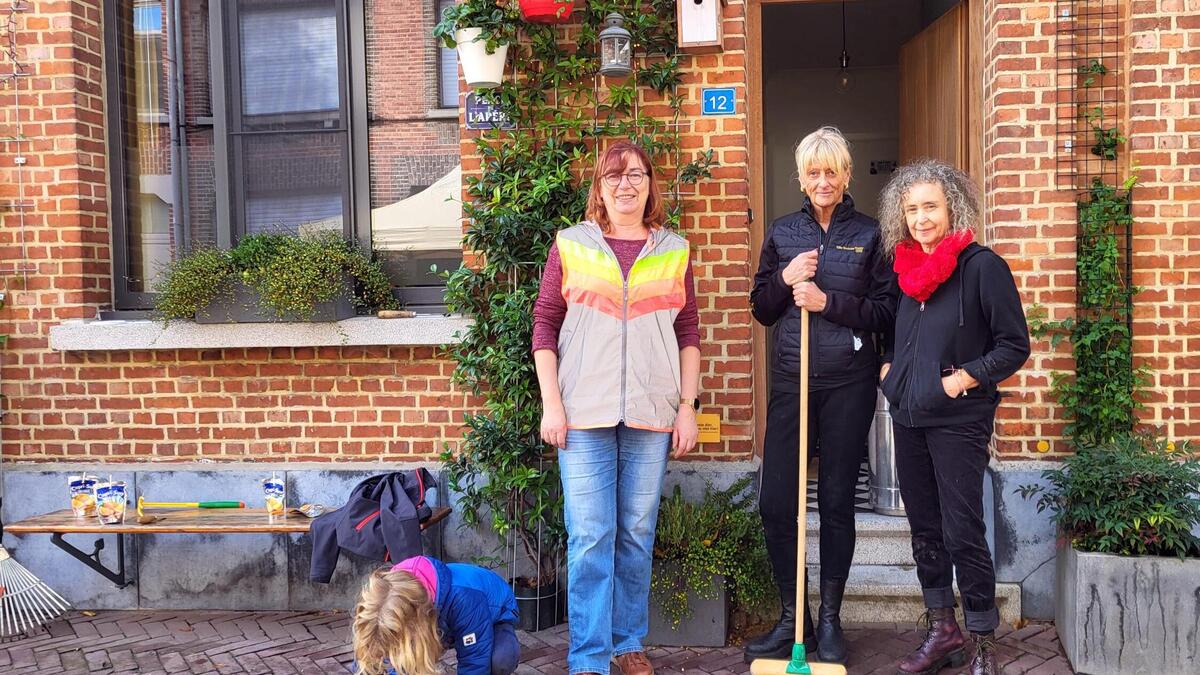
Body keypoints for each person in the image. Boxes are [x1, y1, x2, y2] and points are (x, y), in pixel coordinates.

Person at [532, 140, 701, 675]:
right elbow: (544, 324)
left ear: (650, 184)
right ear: (599, 188)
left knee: (635, 533)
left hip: (652, 414)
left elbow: (689, 331)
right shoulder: (571, 245)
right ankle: (588, 658)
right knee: (589, 536)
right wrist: (551, 404)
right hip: (583, 414)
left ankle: (627, 645)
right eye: (614, 176)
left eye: (636, 174)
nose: (626, 183)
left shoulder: (674, 249)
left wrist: (687, 406)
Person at [747, 126, 898, 665]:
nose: (822, 180)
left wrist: (828, 301)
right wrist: (786, 279)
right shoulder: (784, 232)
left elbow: (886, 311)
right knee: (776, 502)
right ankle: (795, 620)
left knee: (836, 502)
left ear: (846, 175)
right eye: (813, 172)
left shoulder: (871, 234)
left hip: (848, 384)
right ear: (801, 177)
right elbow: (762, 308)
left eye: (831, 171)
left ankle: (831, 618)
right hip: (793, 380)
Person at [877, 159, 1030, 675]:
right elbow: (888, 334)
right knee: (924, 529)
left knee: (963, 528)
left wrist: (962, 377)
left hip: (959, 419)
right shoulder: (903, 272)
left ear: (952, 208)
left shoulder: (981, 266)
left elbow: (1014, 346)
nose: (921, 218)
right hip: (909, 417)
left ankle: (984, 642)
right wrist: (888, 373)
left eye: (931, 207)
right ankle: (944, 631)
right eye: (912, 208)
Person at [352, 555, 520, 675]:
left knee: (500, 659)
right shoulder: (383, 603)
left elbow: (475, 659)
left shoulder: (465, 599)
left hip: (495, 614)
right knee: (404, 650)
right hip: (438, 613)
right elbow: (367, 655)